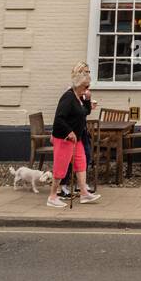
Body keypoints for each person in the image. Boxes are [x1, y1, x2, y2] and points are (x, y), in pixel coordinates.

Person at [49, 67, 101, 207]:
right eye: (86, 86)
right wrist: (69, 132)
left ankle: (84, 193)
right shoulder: (68, 97)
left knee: (81, 162)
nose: (88, 88)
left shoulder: (78, 98)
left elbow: (84, 113)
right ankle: (52, 196)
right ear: (78, 85)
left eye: (88, 86)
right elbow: (59, 119)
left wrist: (87, 100)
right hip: (64, 138)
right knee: (61, 167)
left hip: (75, 139)